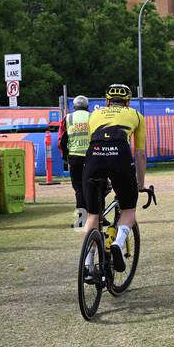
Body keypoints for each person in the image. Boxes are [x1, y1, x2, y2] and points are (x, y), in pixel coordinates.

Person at [81, 84, 147, 274]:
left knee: (92, 215)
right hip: (120, 156)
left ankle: (87, 264)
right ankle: (118, 242)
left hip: (94, 157)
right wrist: (140, 183)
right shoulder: (136, 115)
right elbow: (140, 153)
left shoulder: (94, 114)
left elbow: (92, 142)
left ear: (107, 101)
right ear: (128, 102)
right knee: (128, 209)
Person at [59, 95, 91, 225]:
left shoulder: (68, 118)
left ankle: (81, 220)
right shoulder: (93, 117)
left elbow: (61, 140)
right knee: (96, 186)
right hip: (92, 157)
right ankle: (99, 217)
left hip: (75, 158)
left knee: (79, 189)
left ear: (74, 106)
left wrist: (65, 156)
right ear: (87, 106)